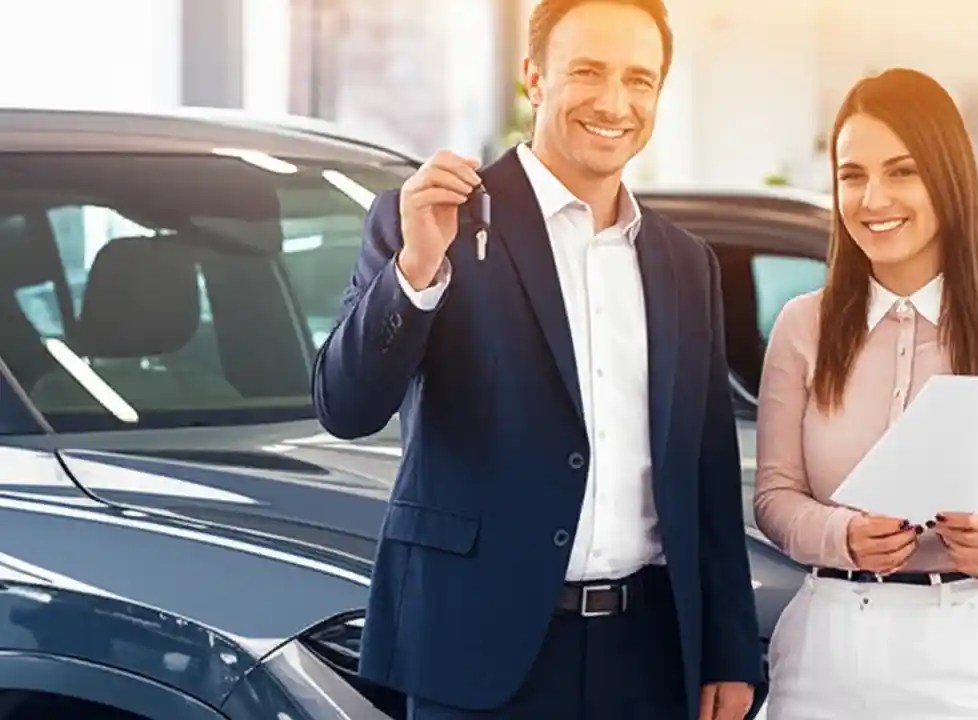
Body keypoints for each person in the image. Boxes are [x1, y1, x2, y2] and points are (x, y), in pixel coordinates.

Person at [311, 0, 762, 718]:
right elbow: (347, 406)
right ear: (534, 78)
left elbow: (707, 472)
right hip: (479, 655)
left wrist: (731, 652)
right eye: (587, 71)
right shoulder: (437, 221)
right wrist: (417, 270)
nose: (615, 102)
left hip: (645, 655)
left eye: (639, 80)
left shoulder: (685, 265)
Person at [752, 68, 978, 719]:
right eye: (852, 175)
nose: (873, 198)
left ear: (948, 179)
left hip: (964, 657)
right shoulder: (802, 326)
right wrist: (841, 534)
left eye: (901, 171)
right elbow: (774, 498)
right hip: (826, 654)